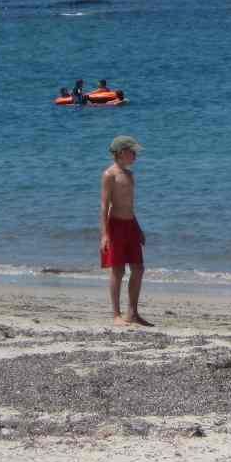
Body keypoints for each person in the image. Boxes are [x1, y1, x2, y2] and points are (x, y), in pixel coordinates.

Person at [100, 134, 151, 327]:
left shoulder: (129, 174)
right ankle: (116, 314)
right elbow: (104, 206)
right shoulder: (109, 175)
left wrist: (138, 228)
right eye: (133, 152)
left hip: (130, 224)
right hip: (115, 225)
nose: (135, 156)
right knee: (118, 270)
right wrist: (104, 234)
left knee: (138, 268)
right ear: (121, 153)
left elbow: (130, 206)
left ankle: (133, 312)